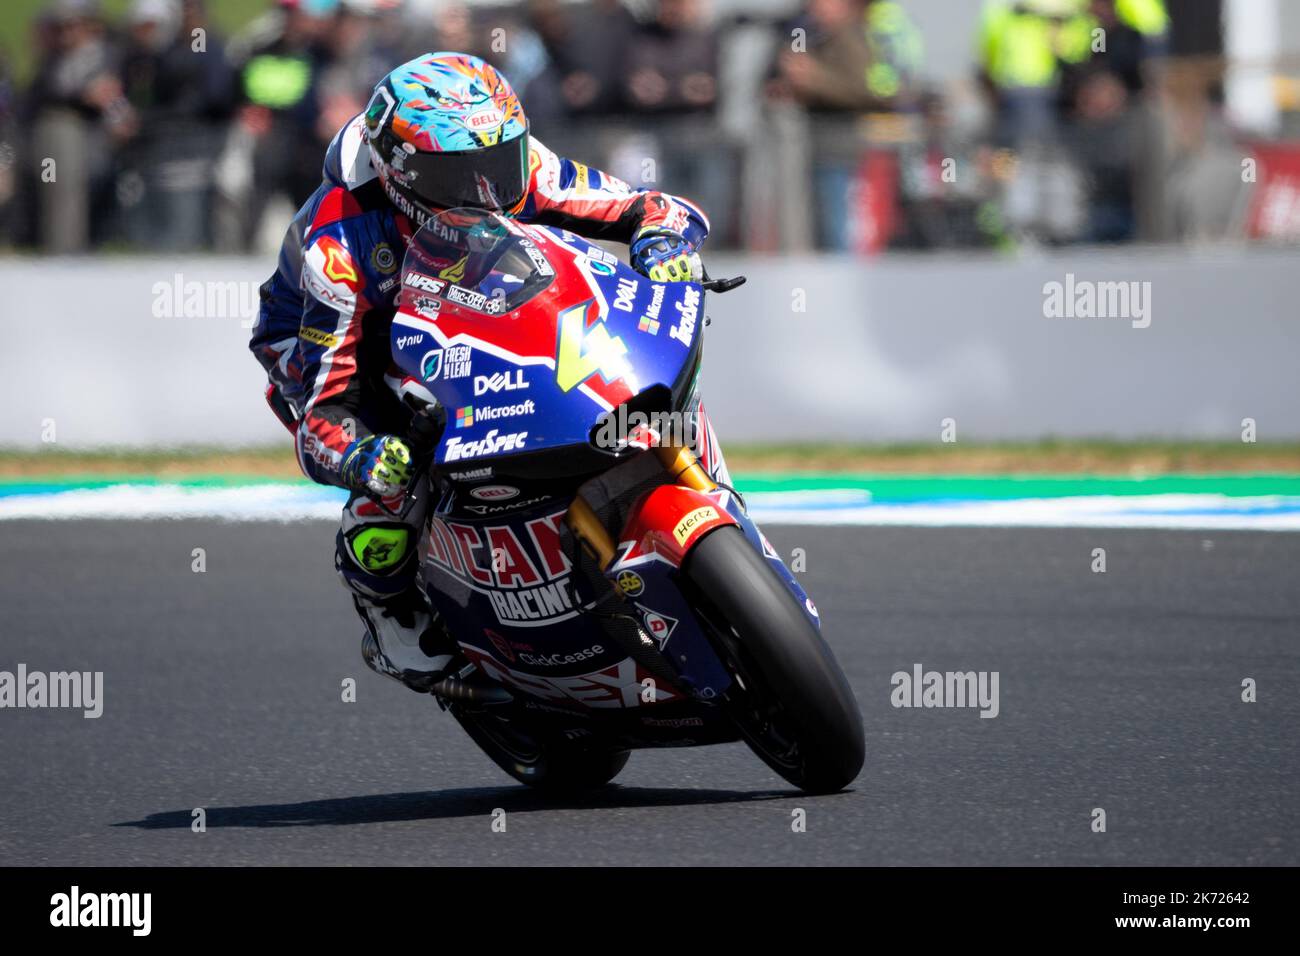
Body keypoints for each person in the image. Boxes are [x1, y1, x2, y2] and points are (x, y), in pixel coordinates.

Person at [249, 52, 710, 694]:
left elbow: (647, 206)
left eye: (501, 159)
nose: (492, 187)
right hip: (340, 337)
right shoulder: (339, 246)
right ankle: (386, 601)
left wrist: (664, 244)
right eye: (463, 172)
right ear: (400, 172)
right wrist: (358, 453)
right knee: (397, 460)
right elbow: (327, 409)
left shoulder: (519, 164)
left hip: (466, 285)